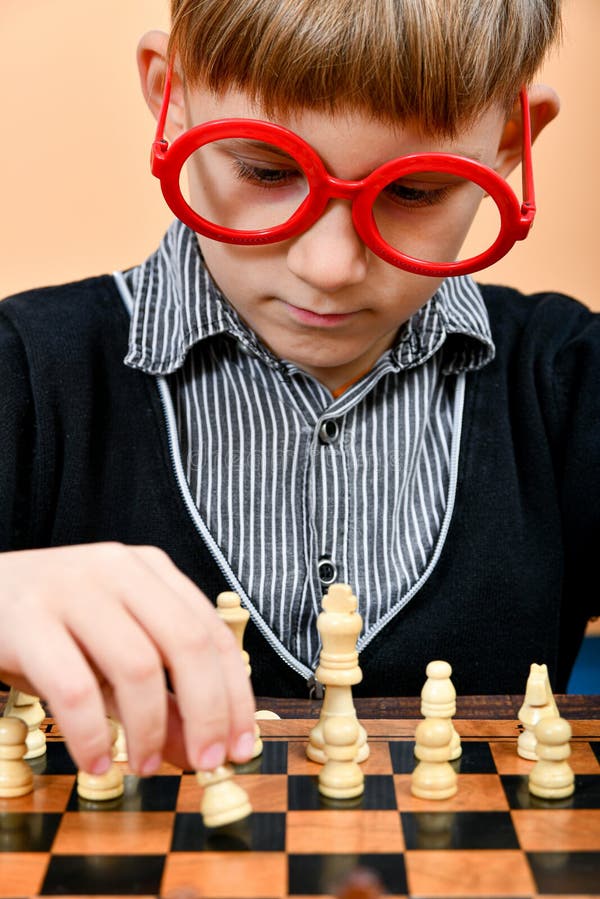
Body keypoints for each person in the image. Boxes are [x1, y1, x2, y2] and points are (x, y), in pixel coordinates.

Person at [0, 0, 597, 780]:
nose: (329, 266)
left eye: (416, 191)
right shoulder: (24, 372)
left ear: (514, 141)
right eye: (266, 171)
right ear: (169, 98)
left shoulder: (570, 380)